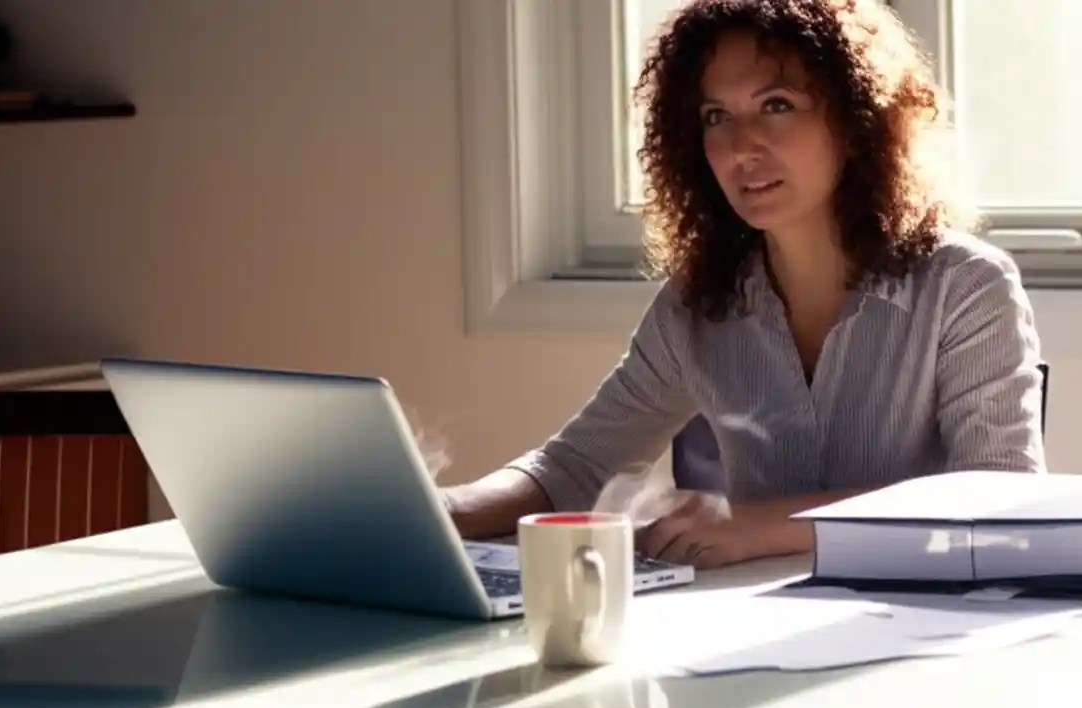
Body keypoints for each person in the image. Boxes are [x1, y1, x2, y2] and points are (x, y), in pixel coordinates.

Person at [442, 0, 1045, 569]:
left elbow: (998, 497)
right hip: (745, 629)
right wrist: (442, 512)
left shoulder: (966, 285)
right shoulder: (696, 304)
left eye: (777, 104)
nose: (740, 146)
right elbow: (574, 467)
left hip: (928, 635)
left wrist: (763, 525)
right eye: (716, 117)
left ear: (858, 116)